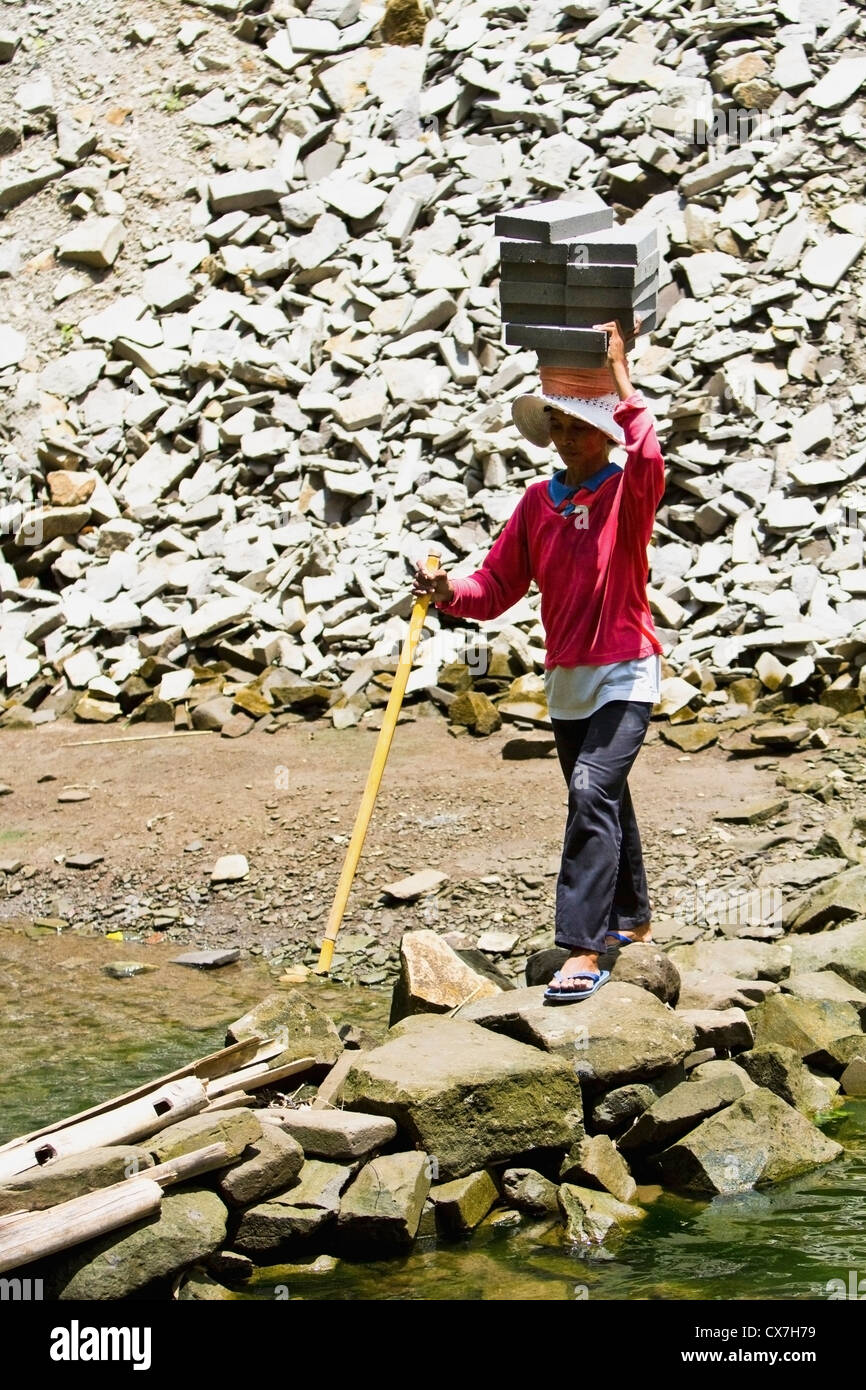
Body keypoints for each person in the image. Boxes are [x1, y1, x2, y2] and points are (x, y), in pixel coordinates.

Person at [412, 320, 666, 1004]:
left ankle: (584, 946)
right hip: (568, 684)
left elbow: (650, 453)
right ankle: (633, 916)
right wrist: (444, 592)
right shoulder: (536, 504)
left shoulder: (627, 494)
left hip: (626, 672)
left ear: (605, 433)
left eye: (580, 424)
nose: (566, 434)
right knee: (603, 794)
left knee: (590, 790)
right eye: (557, 422)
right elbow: (493, 588)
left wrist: (619, 374)